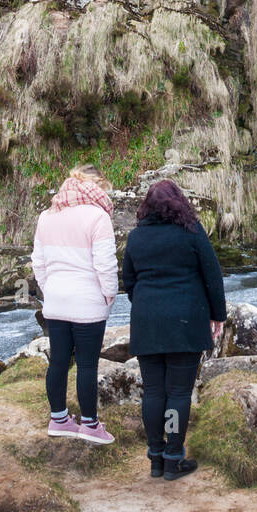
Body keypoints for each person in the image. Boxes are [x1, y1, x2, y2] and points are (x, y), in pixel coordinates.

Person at [122, 180, 226, 482]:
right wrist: (217, 315)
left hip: (147, 323)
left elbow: (129, 281)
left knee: (153, 391)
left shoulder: (136, 238)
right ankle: (173, 457)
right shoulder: (191, 232)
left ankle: (155, 458)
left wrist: (148, 305)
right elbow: (212, 275)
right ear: (179, 202)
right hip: (185, 323)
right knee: (178, 393)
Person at [32, 164, 119, 445]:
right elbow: (106, 265)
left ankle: (59, 419)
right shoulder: (98, 217)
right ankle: (90, 425)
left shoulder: (46, 216)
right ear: (97, 186)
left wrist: (51, 290)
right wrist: (108, 296)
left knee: (57, 361)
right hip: (88, 303)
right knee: (86, 365)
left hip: (56, 301)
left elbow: (38, 263)